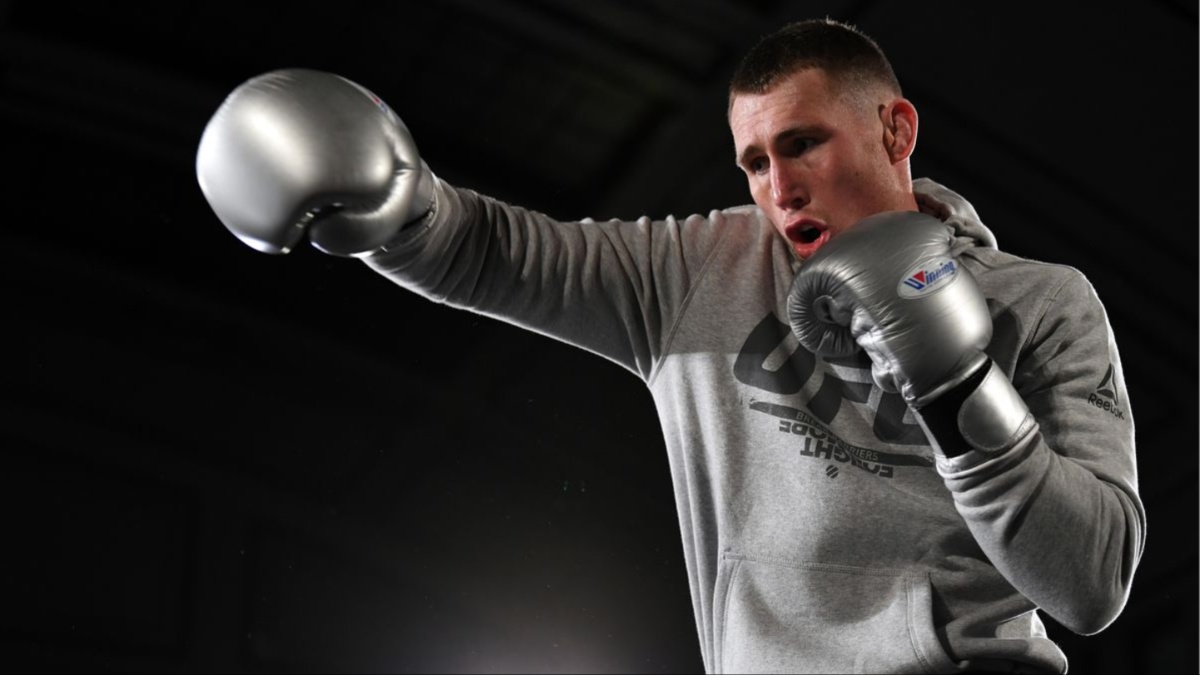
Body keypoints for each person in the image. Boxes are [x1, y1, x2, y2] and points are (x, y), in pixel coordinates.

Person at [195, 18, 1145, 674]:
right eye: (754, 162)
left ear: (895, 129)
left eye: (803, 144)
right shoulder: (702, 268)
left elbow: (1093, 581)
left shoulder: (1042, 301)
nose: (779, 188)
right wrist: (397, 209)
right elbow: (497, 254)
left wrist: (958, 384)